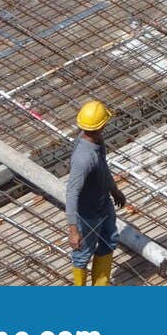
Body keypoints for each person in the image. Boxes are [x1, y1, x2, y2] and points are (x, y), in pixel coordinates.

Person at [65, 100, 134, 285]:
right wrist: (73, 230)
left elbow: (102, 168)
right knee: (82, 254)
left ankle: (100, 286)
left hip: (103, 204)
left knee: (110, 239)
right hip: (87, 215)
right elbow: (71, 193)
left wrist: (114, 190)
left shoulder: (97, 141)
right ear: (102, 124)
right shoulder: (83, 159)